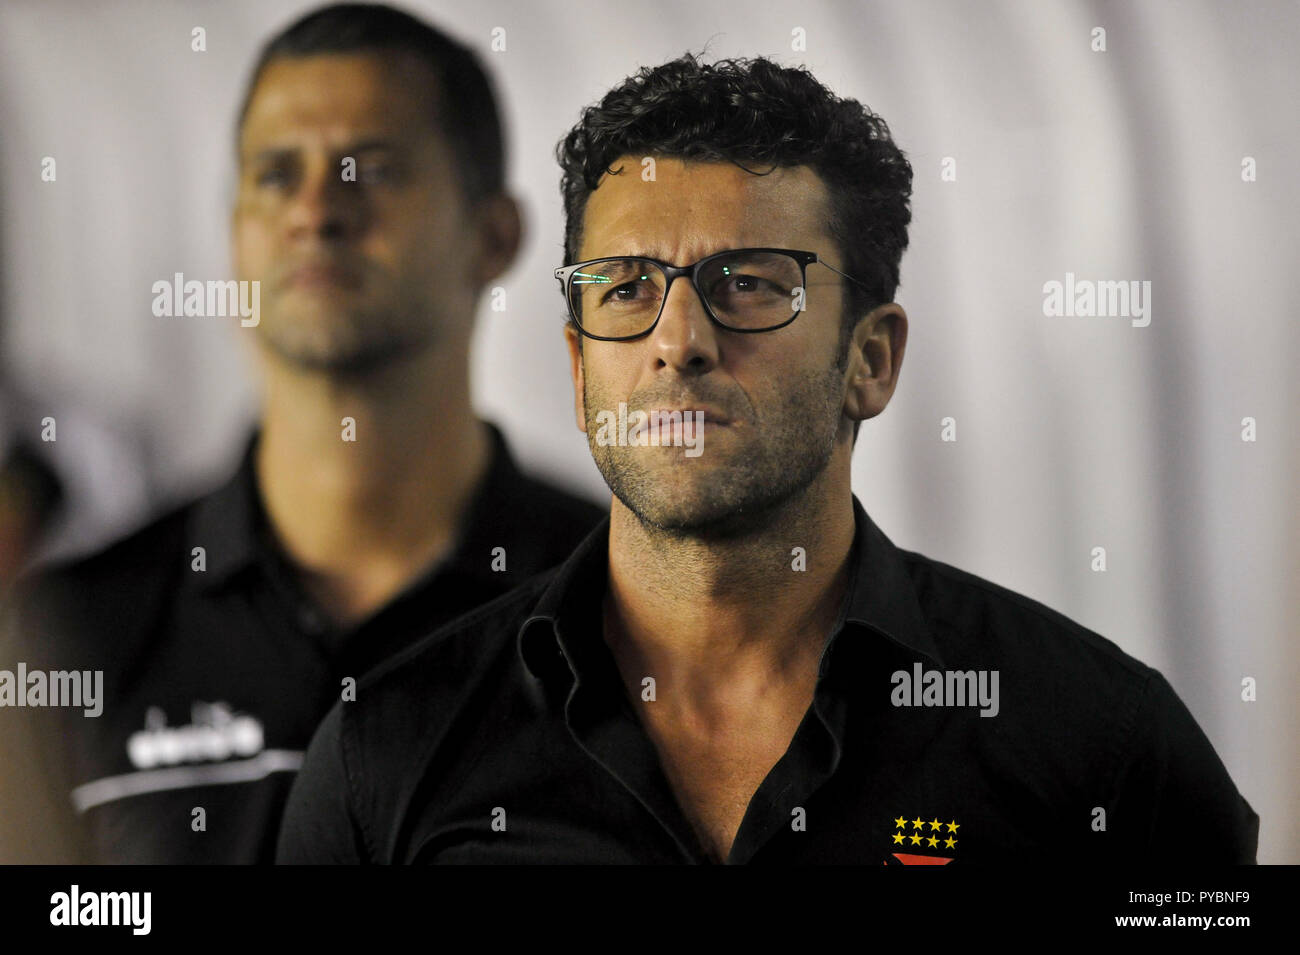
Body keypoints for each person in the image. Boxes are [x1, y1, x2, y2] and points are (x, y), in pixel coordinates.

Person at [276, 53, 1258, 864]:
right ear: (579, 373)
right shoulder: (389, 752)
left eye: (747, 283)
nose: (678, 339)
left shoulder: (1096, 741)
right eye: (624, 289)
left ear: (868, 362)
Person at [0, 3, 604, 864]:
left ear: (495, 235)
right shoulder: (69, 633)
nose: (317, 210)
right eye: (277, 175)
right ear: (236, 237)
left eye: (376, 169)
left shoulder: (628, 607)